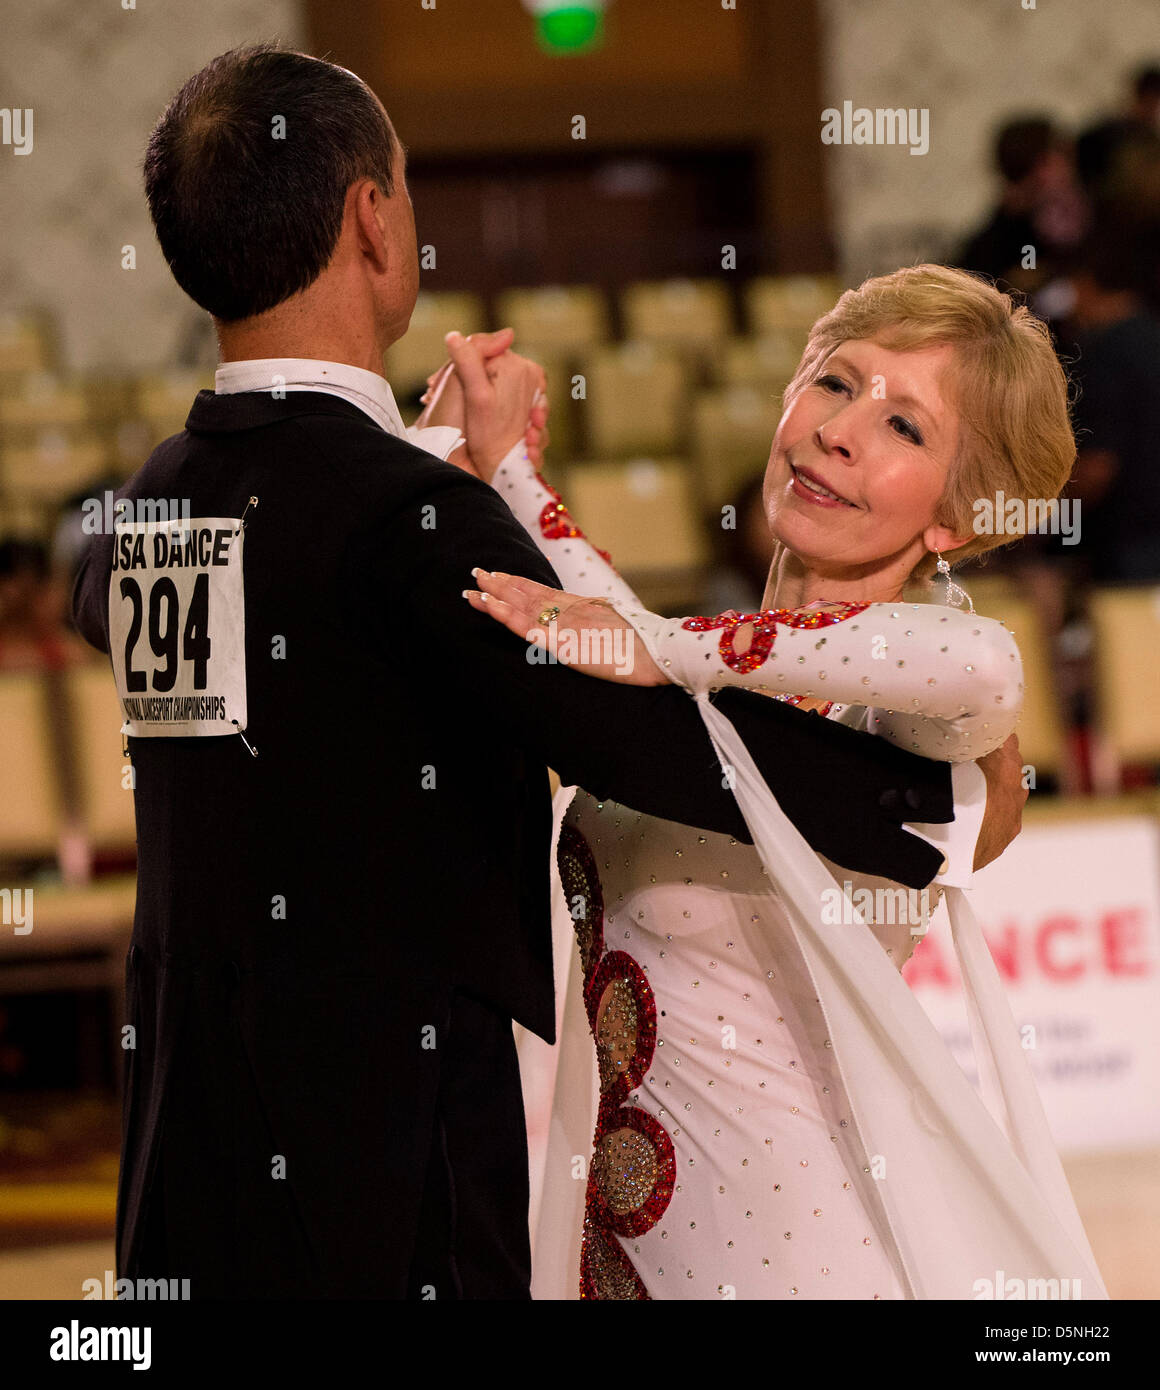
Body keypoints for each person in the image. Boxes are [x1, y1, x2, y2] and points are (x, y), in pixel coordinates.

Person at [67, 46, 1022, 1299]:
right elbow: (646, 736)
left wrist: (479, 469)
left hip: (183, 1177)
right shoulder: (400, 518)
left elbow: (181, 585)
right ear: (371, 217)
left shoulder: (154, 508)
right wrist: (926, 813)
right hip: (384, 1176)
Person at [459, 263, 1108, 1299]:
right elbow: (609, 636)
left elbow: (985, 670)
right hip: (629, 1260)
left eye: (906, 429)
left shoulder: (910, 697)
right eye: (835, 383)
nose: (842, 430)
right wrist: (506, 465)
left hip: (809, 1261)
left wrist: (663, 643)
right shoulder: (703, 678)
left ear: (951, 514)